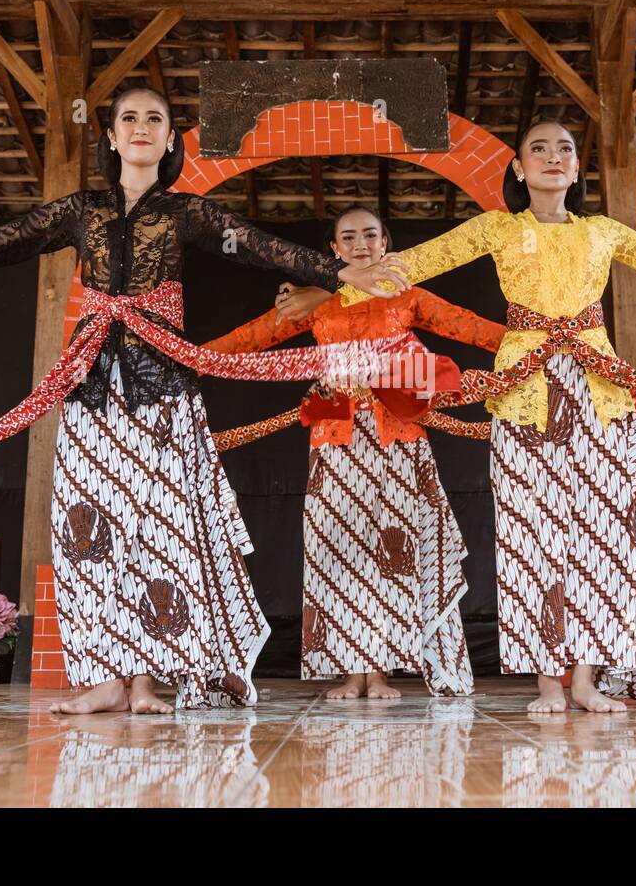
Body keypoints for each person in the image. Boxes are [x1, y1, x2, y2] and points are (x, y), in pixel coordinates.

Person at [0, 87, 404, 716]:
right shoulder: (82, 210)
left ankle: (147, 682)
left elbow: (264, 245)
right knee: (87, 533)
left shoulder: (186, 213)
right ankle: (105, 677)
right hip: (91, 387)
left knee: (163, 533)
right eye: (129, 117)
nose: (140, 127)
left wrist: (340, 272)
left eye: (154, 119)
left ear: (168, 141)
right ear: (111, 136)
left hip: (163, 391)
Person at [338, 120, 636, 713]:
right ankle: (545, 682)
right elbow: (417, 262)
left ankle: (586, 681)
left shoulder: (604, 233)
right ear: (518, 169)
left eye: (564, 148)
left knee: (600, 534)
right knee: (527, 534)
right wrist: (333, 280)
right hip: (524, 391)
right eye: (537, 149)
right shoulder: (498, 228)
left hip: (596, 385)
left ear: (575, 168)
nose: (551, 157)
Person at [206, 205, 503, 700]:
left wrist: (539, 342)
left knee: (396, 550)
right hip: (334, 438)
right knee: (337, 552)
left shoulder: (408, 294)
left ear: (386, 244)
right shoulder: (316, 302)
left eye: (371, 234)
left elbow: (469, 327)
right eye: (348, 237)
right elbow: (248, 339)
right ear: (334, 250)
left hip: (400, 439)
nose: (361, 243)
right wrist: (183, 356)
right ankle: (351, 670)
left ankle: (383, 671)